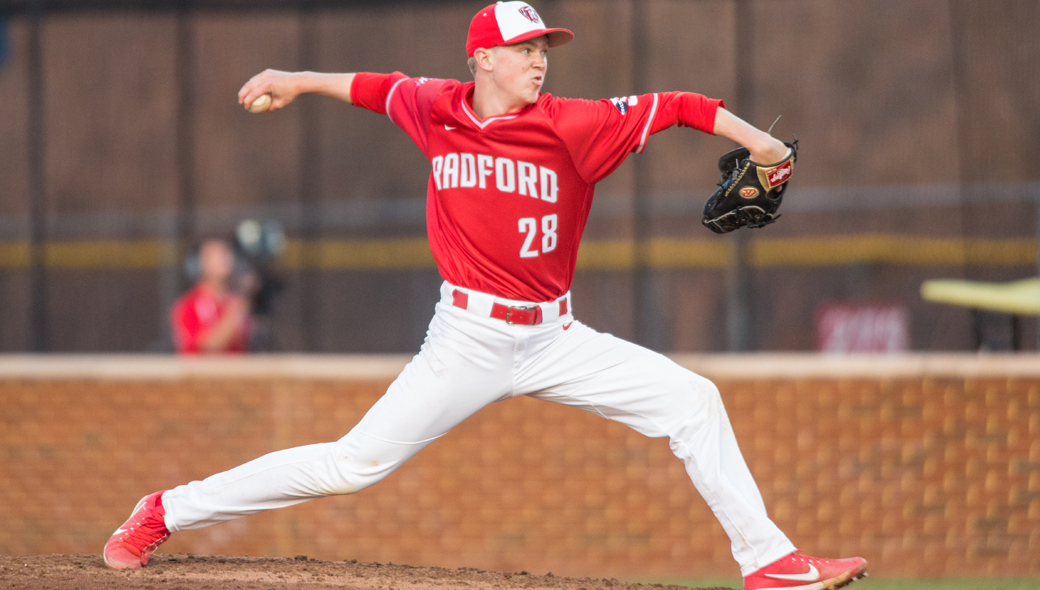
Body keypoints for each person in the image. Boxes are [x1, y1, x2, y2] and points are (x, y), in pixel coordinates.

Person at [105, 4, 866, 588]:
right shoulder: (437, 107)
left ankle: (769, 563)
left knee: (692, 401)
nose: (540, 61)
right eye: (526, 49)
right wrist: (294, 80)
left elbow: (681, 105)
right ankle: (164, 512)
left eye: (543, 49)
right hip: (466, 338)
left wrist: (765, 149)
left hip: (555, 338)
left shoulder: (572, 125)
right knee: (350, 465)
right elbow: (375, 89)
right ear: (483, 59)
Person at [170, 239, 252, 354]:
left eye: (226, 253)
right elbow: (211, 345)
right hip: (201, 371)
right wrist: (239, 305)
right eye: (217, 255)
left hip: (234, 371)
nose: (225, 259)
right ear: (201, 264)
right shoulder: (189, 305)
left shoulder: (236, 301)